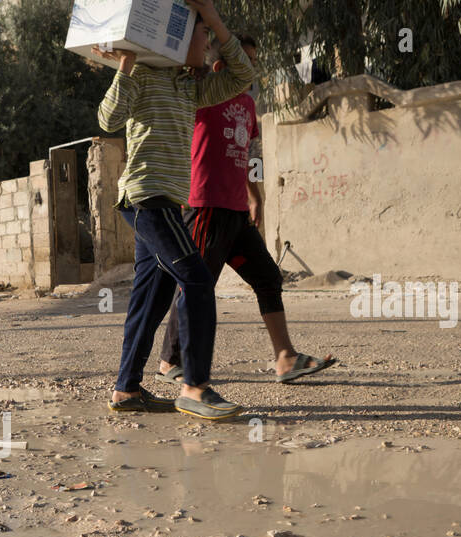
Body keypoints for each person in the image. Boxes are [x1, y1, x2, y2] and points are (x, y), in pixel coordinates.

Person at [95, 0, 253, 421]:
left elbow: (243, 75)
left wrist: (214, 18)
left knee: (152, 297)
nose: (207, 42)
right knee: (197, 279)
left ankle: (126, 391)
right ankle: (195, 388)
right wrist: (126, 65)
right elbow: (109, 120)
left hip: (165, 200)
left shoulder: (191, 86)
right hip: (147, 198)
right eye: (201, 33)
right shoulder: (144, 75)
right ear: (179, 39)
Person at [156, 36, 335, 385]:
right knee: (196, 284)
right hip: (205, 205)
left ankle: (285, 358)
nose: (252, 68)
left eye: (253, 61)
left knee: (268, 277)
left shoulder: (247, 104)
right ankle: (170, 361)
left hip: (236, 208)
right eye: (245, 61)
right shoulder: (201, 95)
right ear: (221, 67)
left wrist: (255, 195)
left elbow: (244, 153)